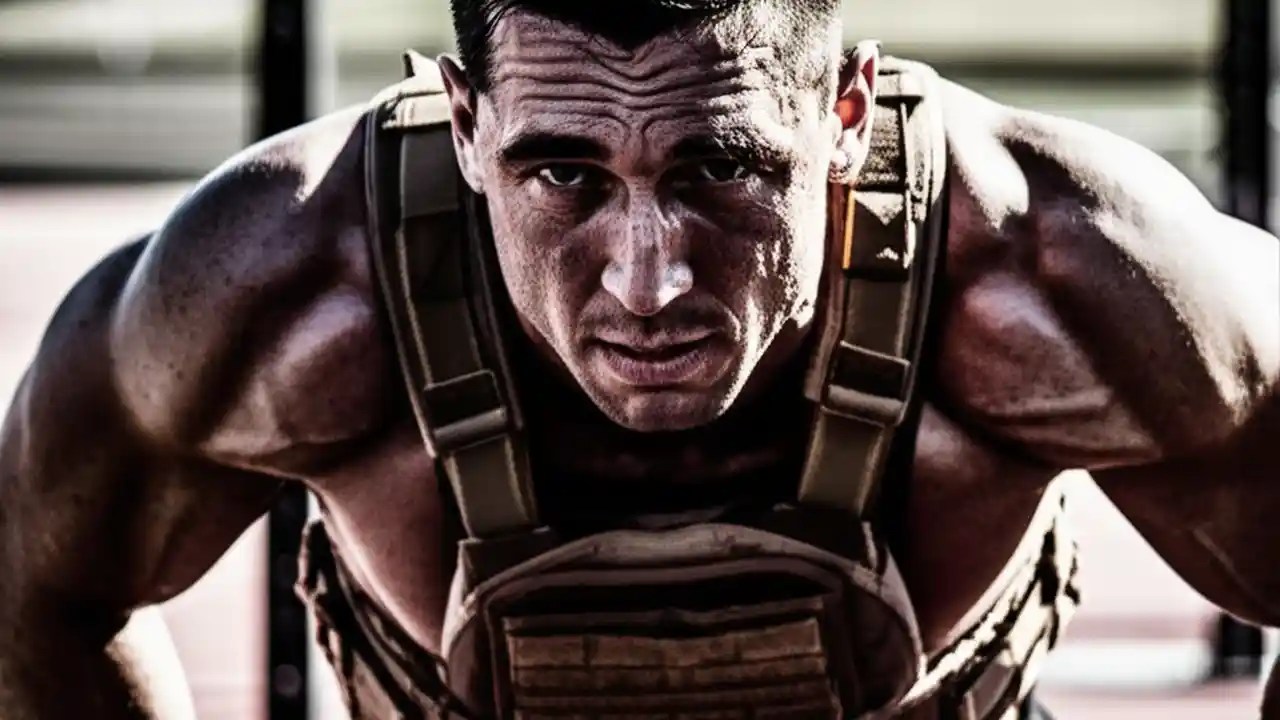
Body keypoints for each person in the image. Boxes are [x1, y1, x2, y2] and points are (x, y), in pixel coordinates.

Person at [1, 1, 1277, 718]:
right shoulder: (282, 294)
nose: (647, 281)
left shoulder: (1060, 276)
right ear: (463, 118)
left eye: (721, 168)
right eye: (560, 172)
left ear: (841, 115)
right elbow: (33, 588)